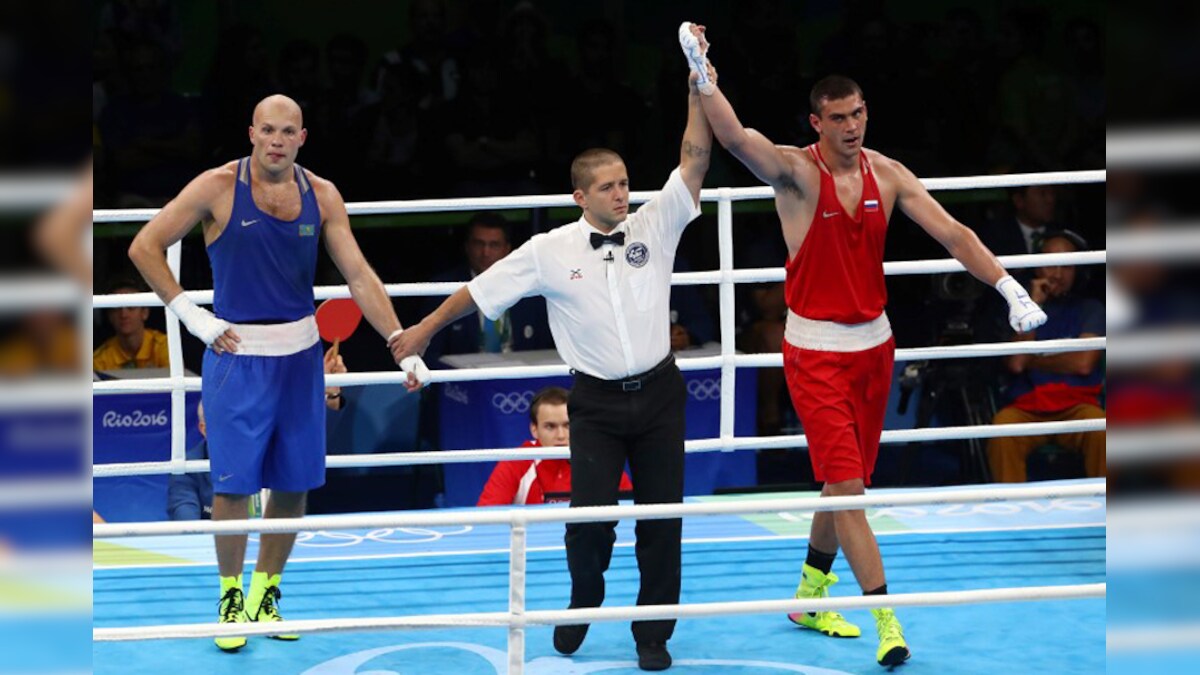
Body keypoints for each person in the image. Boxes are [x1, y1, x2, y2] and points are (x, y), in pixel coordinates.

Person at [688, 25, 1048, 667]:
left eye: (858, 113)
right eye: (838, 117)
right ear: (816, 122)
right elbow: (736, 139)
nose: (851, 126)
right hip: (816, 353)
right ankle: (886, 617)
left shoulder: (890, 172)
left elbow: (955, 233)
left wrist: (1008, 287)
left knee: (840, 486)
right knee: (851, 491)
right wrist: (702, 72)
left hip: (875, 350)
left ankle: (808, 596)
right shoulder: (796, 173)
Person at [392, 34, 713, 670]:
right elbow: (477, 291)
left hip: (660, 394)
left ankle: (653, 635)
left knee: (662, 522)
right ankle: (585, 593)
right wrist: (422, 331)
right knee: (589, 520)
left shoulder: (656, 222)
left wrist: (695, 81)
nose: (622, 194)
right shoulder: (548, 250)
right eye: (609, 187)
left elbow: (694, 157)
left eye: (625, 183)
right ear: (580, 197)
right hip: (592, 400)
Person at [128, 94, 428, 652]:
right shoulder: (216, 186)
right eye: (267, 130)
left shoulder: (323, 194)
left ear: (302, 138)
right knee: (233, 486)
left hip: (300, 356)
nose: (276, 140)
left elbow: (358, 274)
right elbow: (145, 245)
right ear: (251, 133)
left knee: (292, 483)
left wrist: (398, 342)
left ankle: (267, 593)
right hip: (236, 355)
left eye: (287, 132)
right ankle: (229, 596)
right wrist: (191, 314)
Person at [170, 347, 349, 520]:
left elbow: (318, 443)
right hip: (219, 545)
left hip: (281, 540)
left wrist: (327, 392)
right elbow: (187, 522)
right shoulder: (189, 468)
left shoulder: (272, 445)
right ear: (204, 429)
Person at [987, 231, 1105, 482]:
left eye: (1067, 267)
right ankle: (1012, 510)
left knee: (1102, 428)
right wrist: (1033, 305)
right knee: (1002, 429)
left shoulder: (1091, 309)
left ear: (1079, 273)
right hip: (1028, 405)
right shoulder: (1019, 309)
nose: (1058, 274)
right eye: (1051, 264)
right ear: (1036, 266)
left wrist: (1035, 359)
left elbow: (1084, 364)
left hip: (1078, 405)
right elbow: (1018, 363)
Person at [423, 211, 552, 364]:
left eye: (494, 245)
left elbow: (548, 351)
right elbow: (431, 355)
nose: (486, 252)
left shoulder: (531, 290)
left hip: (522, 382)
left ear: (507, 249)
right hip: (464, 382)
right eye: (479, 244)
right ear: (467, 247)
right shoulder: (442, 289)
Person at [477, 386, 631, 506]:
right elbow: (486, 518)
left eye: (568, 425)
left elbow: (631, 513)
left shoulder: (598, 461)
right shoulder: (516, 463)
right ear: (534, 430)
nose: (561, 436)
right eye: (550, 427)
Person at [92, 278, 170, 371]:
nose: (123, 314)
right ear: (110, 315)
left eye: (131, 307)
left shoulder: (164, 346)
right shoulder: (99, 359)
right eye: (117, 308)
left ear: (144, 312)